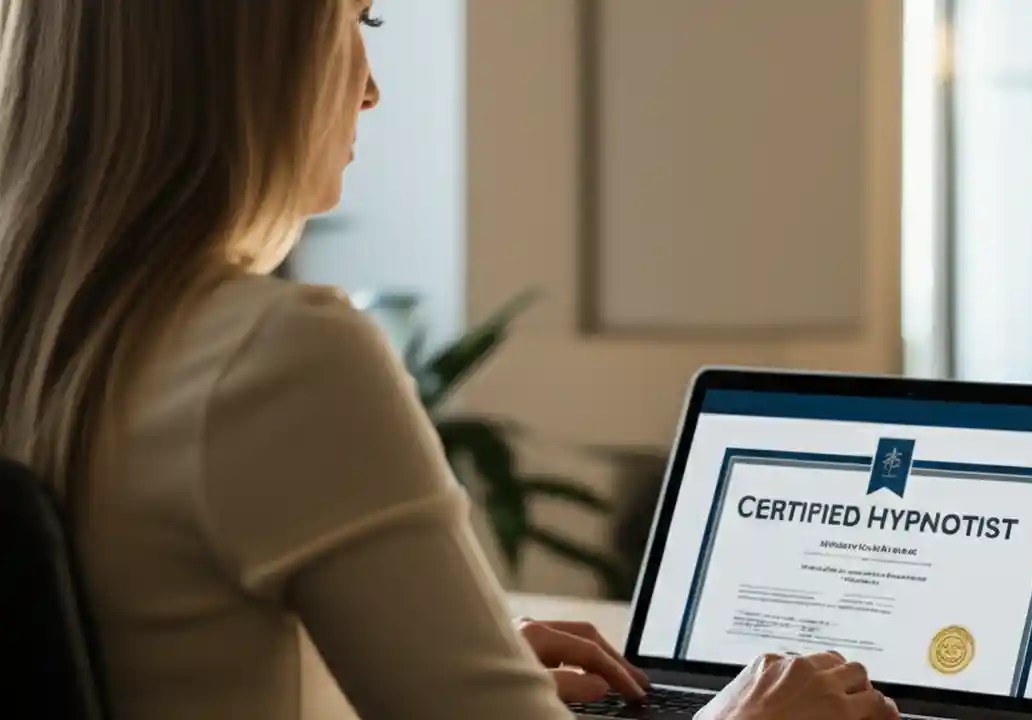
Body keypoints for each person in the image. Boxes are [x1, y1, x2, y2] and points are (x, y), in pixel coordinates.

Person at [0, 2, 900, 719]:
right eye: (358, 19)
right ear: (248, 56)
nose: (370, 87)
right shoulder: (275, 357)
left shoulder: (45, 336)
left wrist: (456, 668)